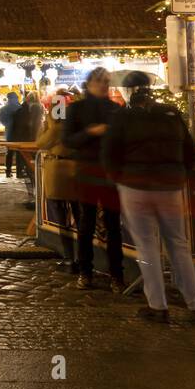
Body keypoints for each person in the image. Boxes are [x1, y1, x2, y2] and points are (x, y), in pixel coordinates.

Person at [102, 71, 195, 322]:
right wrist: (179, 174)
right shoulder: (170, 114)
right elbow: (189, 149)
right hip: (170, 186)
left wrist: (117, 178)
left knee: (147, 247)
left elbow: (110, 152)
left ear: (129, 92)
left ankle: (157, 305)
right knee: (178, 244)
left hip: (135, 185)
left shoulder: (123, 117)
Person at [63, 67, 125, 292]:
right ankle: (85, 272)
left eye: (106, 82)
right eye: (99, 82)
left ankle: (117, 275)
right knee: (86, 225)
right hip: (87, 172)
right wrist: (91, 132)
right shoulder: (76, 109)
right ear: (89, 84)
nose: (103, 86)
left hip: (109, 175)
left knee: (113, 226)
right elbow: (68, 140)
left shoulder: (116, 109)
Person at [35, 87, 81, 272]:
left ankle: (70, 258)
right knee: (79, 215)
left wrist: (48, 126)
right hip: (76, 168)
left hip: (59, 171)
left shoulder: (58, 117)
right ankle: (80, 257)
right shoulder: (77, 113)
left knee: (62, 217)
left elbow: (42, 141)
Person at [13, 91, 45, 203]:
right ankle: (35, 195)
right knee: (33, 167)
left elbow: (33, 124)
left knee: (31, 168)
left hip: (32, 139)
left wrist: (32, 137)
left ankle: (34, 196)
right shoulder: (39, 106)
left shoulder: (33, 107)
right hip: (36, 138)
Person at [0, 91, 23, 177]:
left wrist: (8, 125)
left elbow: (2, 120)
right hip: (19, 133)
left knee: (9, 152)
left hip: (9, 132)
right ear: (16, 98)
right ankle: (19, 172)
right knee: (19, 153)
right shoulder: (20, 107)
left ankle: (8, 171)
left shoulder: (3, 109)